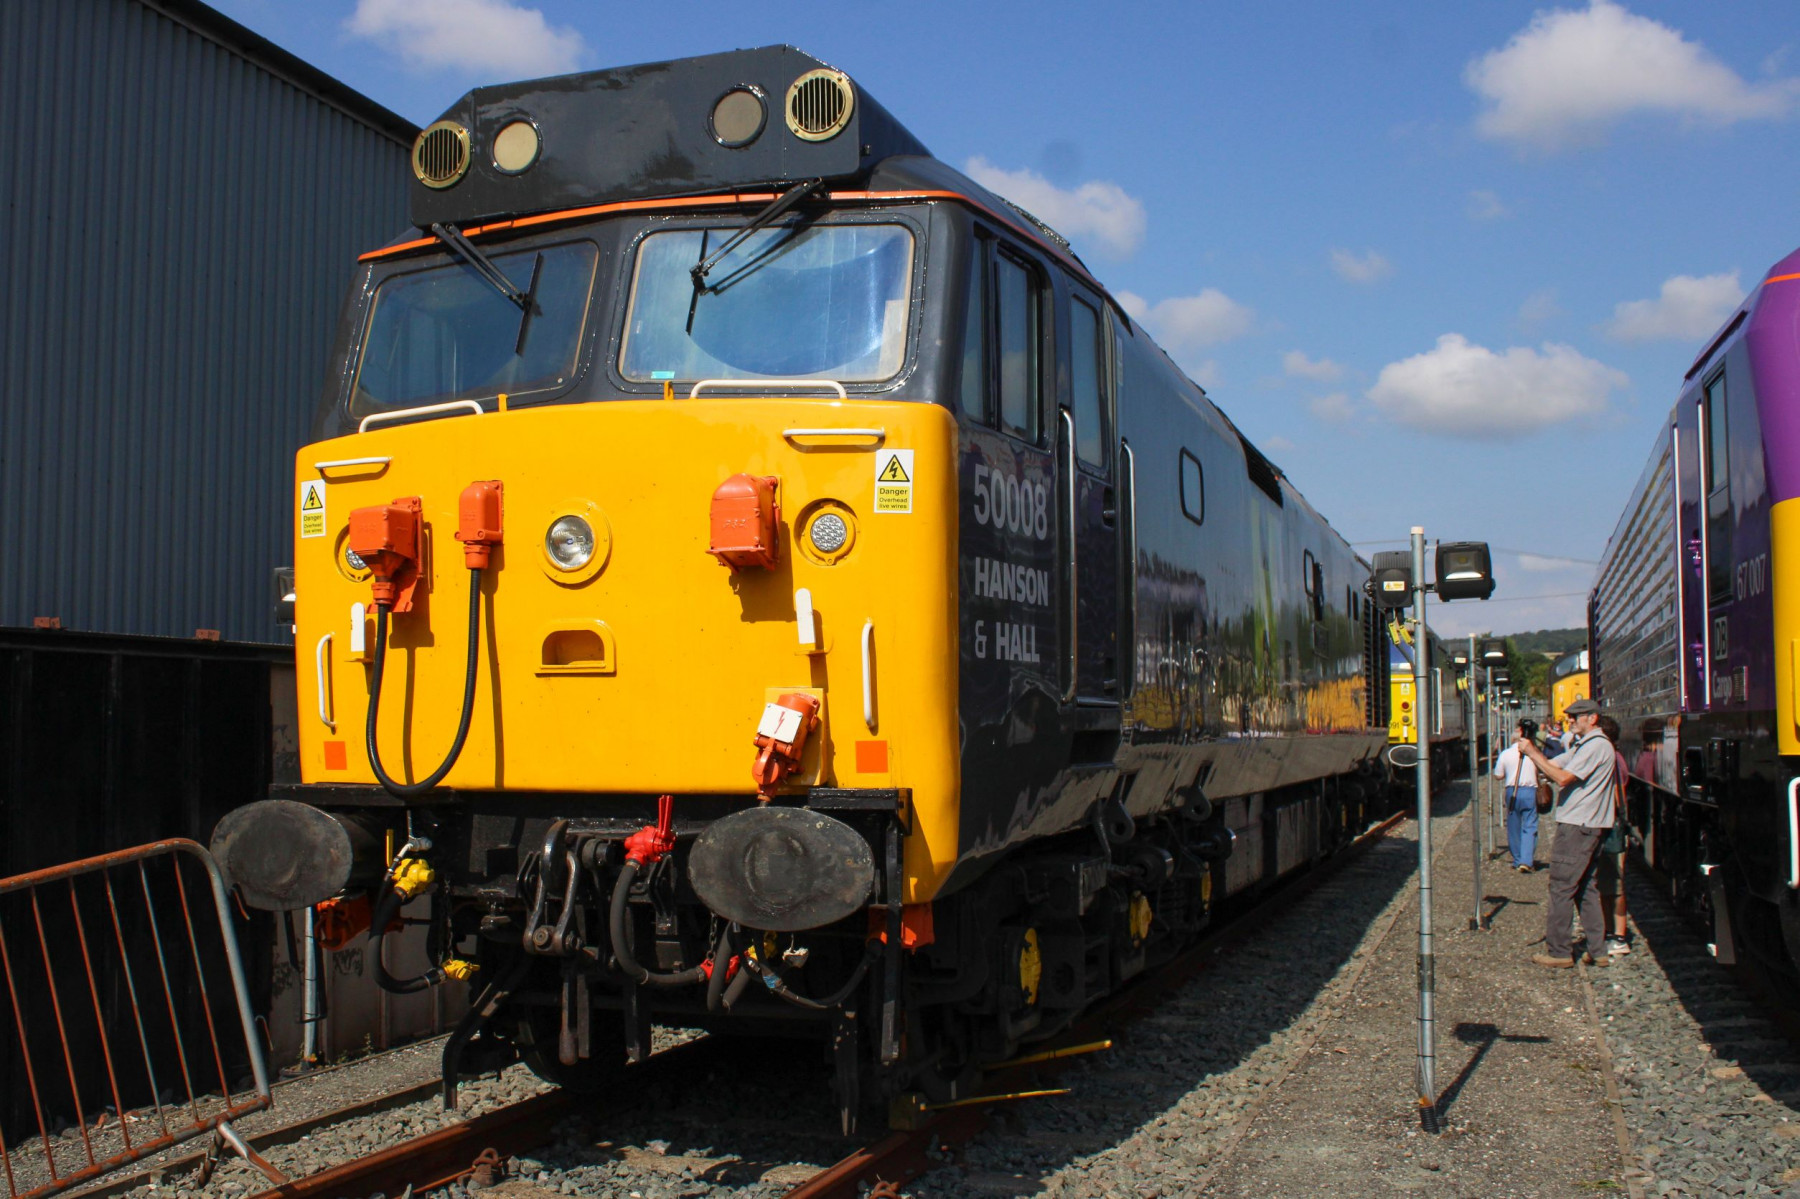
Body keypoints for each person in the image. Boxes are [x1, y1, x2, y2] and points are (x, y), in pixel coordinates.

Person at [1514, 697, 1616, 969]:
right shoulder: (1586, 746)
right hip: (1588, 825)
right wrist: (1531, 750)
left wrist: (1534, 755)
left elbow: (1563, 778)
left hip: (1578, 825)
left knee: (1561, 887)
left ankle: (1559, 951)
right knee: (1586, 887)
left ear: (1591, 718)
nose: (1569, 720)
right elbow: (1555, 764)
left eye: (1575, 716)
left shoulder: (1596, 747)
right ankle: (1598, 949)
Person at [1595, 715, 1631, 955]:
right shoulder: (1615, 758)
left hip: (1611, 827)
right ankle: (1611, 932)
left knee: (1615, 885)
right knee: (1607, 884)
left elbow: (1618, 795)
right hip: (1611, 825)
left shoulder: (1613, 761)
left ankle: (1619, 936)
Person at [1492, 721, 1542, 872]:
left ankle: (1517, 858)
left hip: (1511, 791)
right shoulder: (1535, 753)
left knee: (1513, 826)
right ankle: (1526, 861)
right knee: (1530, 825)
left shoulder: (1505, 754)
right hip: (1530, 791)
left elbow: (1498, 775)